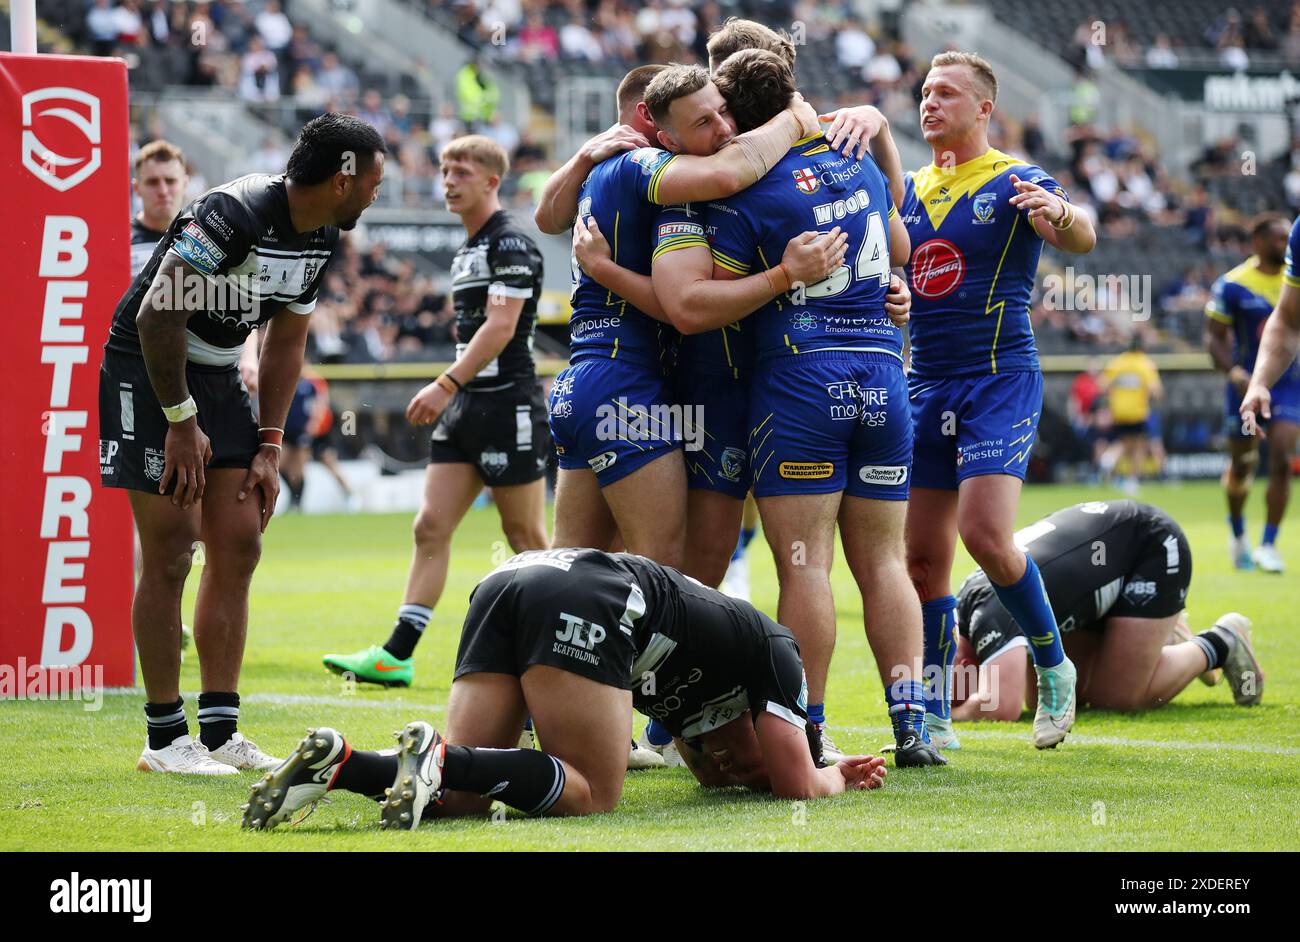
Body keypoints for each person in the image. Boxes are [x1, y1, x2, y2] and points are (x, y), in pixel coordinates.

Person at [576, 54, 933, 767]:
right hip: (881, 377)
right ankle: (914, 724)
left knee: (791, 567)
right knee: (883, 560)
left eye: (721, 113)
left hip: (790, 383)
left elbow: (687, 306)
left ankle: (806, 729)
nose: (719, 128)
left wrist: (608, 270)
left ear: (739, 113)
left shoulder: (735, 190)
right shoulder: (853, 157)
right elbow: (899, 248)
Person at [98, 114, 386, 774]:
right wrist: (180, 422)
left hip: (221, 371)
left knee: (240, 542)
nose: (377, 193)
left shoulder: (320, 236)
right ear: (342, 180)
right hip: (148, 367)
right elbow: (156, 315)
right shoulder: (234, 214)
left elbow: (286, 344)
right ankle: (164, 740)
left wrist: (270, 443)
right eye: (373, 182)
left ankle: (221, 732)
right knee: (172, 551)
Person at [242, 548, 888, 830]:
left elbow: (722, 773)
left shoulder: (709, 699)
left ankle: (343, 765)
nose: (736, 769)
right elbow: (795, 784)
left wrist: (732, 771)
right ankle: (437, 758)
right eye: (758, 759)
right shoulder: (778, 650)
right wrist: (835, 775)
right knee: (594, 794)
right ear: (770, 721)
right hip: (586, 592)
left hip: (512, 580)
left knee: (463, 797)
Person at [536, 65, 821, 571]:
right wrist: (796, 117)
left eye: (721, 113)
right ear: (652, 121)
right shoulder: (641, 163)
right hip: (624, 382)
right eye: (701, 121)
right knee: (662, 568)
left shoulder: (600, 168)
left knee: (577, 568)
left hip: (589, 377)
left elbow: (545, 217)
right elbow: (726, 179)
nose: (724, 130)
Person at [899, 52, 1096, 750]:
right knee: (921, 562)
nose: (930, 103)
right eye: (926, 92)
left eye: (947, 93)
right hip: (924, 383)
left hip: (998, 378)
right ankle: (934, 714)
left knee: (984, 536)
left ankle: (1053, 663)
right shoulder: (907, 189)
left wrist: (1061, 212)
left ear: (984, 108)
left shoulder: (1014, 179)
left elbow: (1080, 236)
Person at [321, 136, 550, 686]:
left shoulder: (511, 242)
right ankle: (396, 655)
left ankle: (554, 660)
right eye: (444, 170)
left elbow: (501, 327)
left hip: (506, 404)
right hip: (467, 407)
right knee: (430, 526)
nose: (448, 181)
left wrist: (445, 384)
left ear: (492, 181)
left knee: (525, 538)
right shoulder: (469, 247)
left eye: (461, 172)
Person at [951, 500, 1263, 721]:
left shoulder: (987, 614)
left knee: (1115, 697)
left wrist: (951, 716)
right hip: (1103, 557)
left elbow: (1000, 706)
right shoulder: (969, 601)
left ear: (964, 664)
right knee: (1052, 697)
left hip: (1148, 546)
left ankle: (1221, 641)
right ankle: (1164, 635)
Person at [1207, 213, 1298, 572]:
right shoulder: (1233, 285)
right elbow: (1214, 337)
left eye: (1288, 238)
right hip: (1245, 386)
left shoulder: (1295, 277)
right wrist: (1233, 372)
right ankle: (1238, 533)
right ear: (1258, 242)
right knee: (1243, 464)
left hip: (1288, 385)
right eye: (1278, 238)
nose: (1285, 244)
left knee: (1282, 457)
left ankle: (1269, 544)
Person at [1099, 335, 1163, 496]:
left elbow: (1102, 386)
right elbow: (1156, 390)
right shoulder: (1145, 363)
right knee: (1139, 445)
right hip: (1137, 411)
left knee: (1125, 442)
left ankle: (1109, 458)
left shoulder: (1117, 362)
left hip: (1119, 411)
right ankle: (1132, 480)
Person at [130, 141, 190, 277]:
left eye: (170, 181)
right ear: (136, 188)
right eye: (152, 182)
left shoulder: (203, 239)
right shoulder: (120, 243)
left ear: (185, 184)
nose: (163, 191)